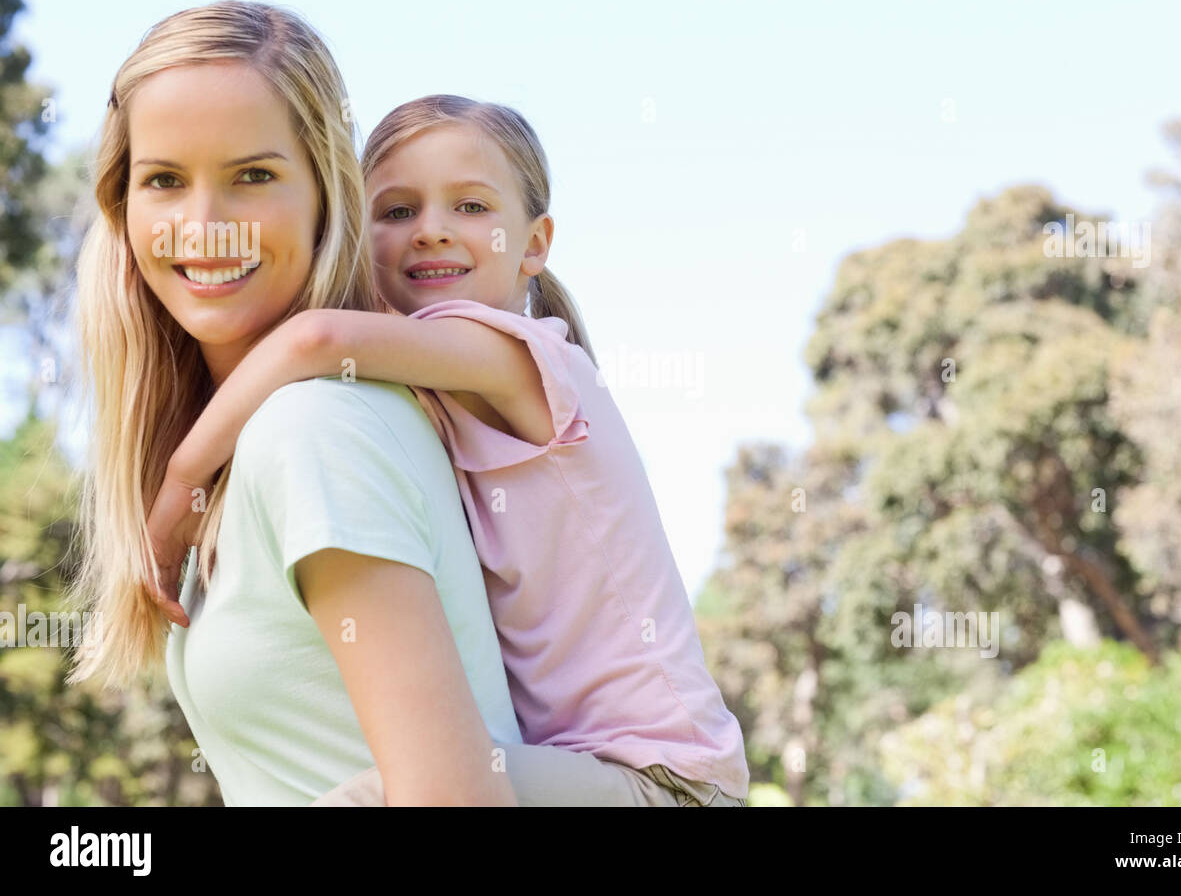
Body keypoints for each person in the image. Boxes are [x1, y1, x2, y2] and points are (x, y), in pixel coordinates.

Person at [144, 95, 750, 806]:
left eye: (470, 208)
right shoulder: (418, 399)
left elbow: (315, 341)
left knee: (398, 792)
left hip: (664, 782)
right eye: (397, 212)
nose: (430, 231)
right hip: (573, 770)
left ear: (533, 243)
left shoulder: (530, 362)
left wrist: (182, 480)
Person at [64, 1, 521, 806]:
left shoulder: (314, 429)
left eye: (254, 176)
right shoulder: (264, 441)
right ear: (122, 205)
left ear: (325, 196)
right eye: (164, 180)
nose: (205, 226)